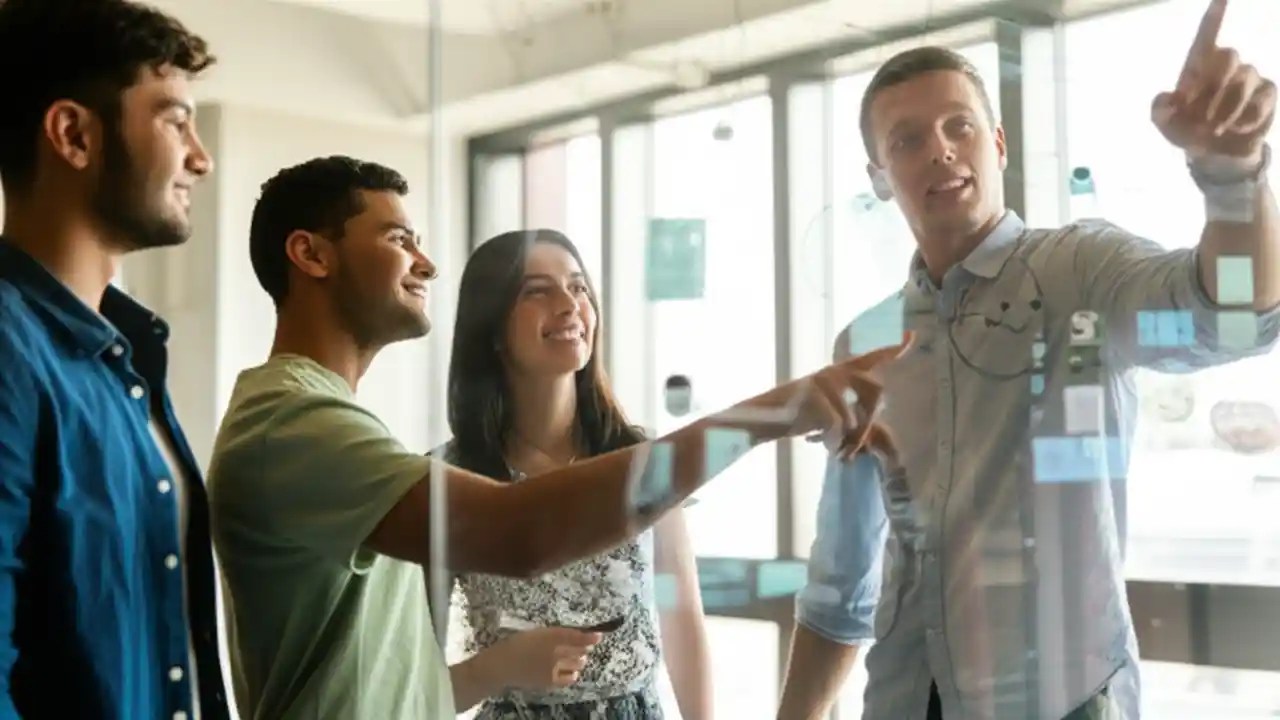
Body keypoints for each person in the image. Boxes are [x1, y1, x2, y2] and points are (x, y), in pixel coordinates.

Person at [207, 155, 908, 719]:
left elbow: (678, 621)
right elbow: (524, 534)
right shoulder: (299, 428)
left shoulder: (340, 427)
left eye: (578, 286)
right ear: (311, 255)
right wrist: (772, 413)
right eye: (398, 240)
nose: (425, 263)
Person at [777, 2, 1279, 719]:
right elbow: (840, 579)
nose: (942, 151)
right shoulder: (866, 346)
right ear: (881, 175)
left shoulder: (1081, 272)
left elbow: (1232, 319)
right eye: (908, 140)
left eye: (960, 127)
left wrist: (1232, 176)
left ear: (999, 144)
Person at [0, 1, 231, 718]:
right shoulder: (9, 348)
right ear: (74, 134)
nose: (202, 155)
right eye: (173, 120)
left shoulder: (125, 355)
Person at [439, 229, 712, 719]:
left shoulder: (642, 460)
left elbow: (682, 622)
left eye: (579, 287)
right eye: (537, 291)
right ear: (492, 328)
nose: (569, 305)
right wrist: (495, 667)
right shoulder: (447, 481)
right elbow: (408, 689)